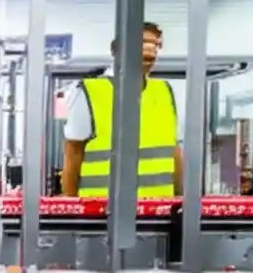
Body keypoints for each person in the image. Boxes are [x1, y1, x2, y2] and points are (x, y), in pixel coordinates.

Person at [60, 21, 183, 198]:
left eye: (156, 45)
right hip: (102, 212)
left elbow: (174, 152)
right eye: (142, 43)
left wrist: (180, 201)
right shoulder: (91, 91)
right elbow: (73, 153)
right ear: (117, 50)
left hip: (158, 213)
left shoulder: (164, 91)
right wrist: (72, 209)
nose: (151, 50)